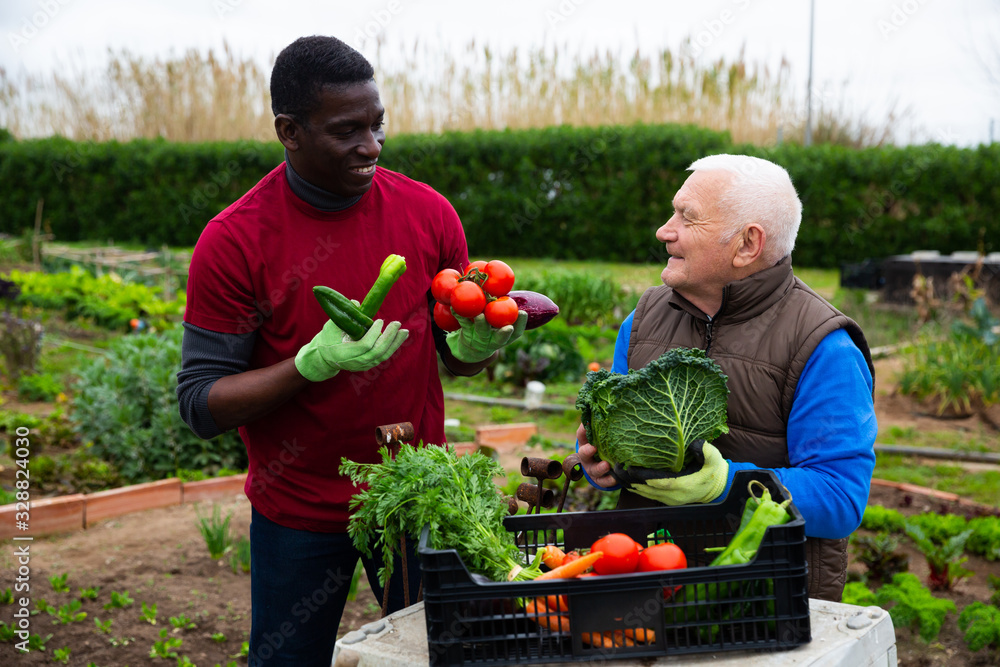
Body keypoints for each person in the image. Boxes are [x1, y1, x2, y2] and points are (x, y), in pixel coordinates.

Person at [176, 35, 525, 666]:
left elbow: (454, 356)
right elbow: (201, 404)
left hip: (416, 492)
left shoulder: (429, 214)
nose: (372, 146)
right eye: (347, 131)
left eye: (377, 124)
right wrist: (308, 365)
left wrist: (476, 344)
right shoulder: (235, 240)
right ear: (289, 131)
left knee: (439, 655)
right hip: (297, 508)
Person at [576, 154, 876, 602]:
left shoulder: (822, 345)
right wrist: (600, 461)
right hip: (646, 583)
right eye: (673, 212)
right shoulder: (642, 320)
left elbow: (841, 498)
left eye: (688, 218)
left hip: (764, 604)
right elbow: (611, 439)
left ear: (747, 244)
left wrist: (727, 485)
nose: (664, 231)